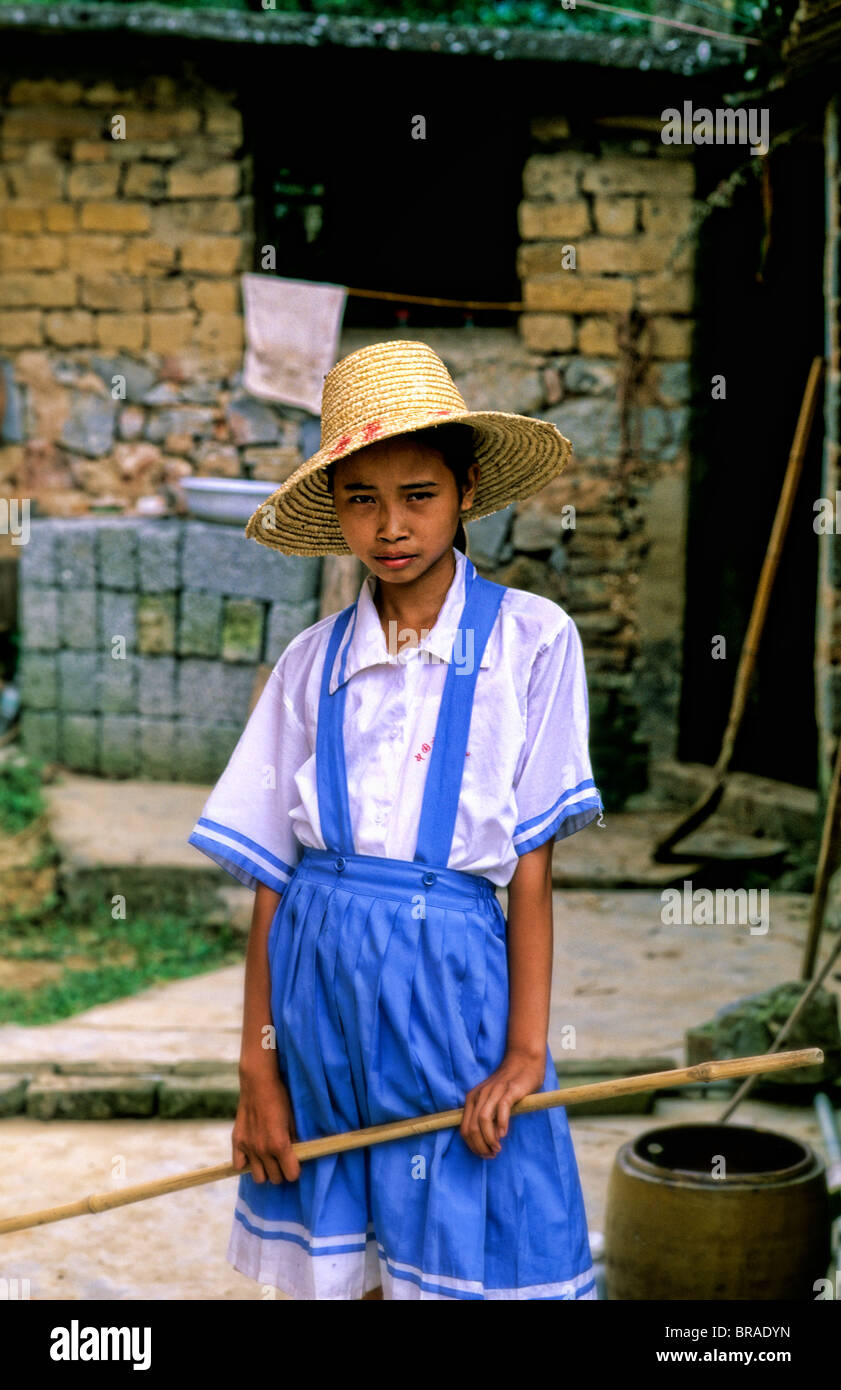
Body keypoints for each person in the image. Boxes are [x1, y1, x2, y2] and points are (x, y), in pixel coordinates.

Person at [188, 340, 605, 1300]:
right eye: (360, 498)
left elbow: (531, 870)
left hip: (455, 987)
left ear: (464, 492)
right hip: (316, 989)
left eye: (417, 494)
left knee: (473, 1231)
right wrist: (258, 1071)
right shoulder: (309, 663)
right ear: (334, 508)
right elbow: (272, 881)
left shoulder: (532, 642)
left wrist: (525, 1055)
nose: (390, 526)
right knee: (346, 1249)